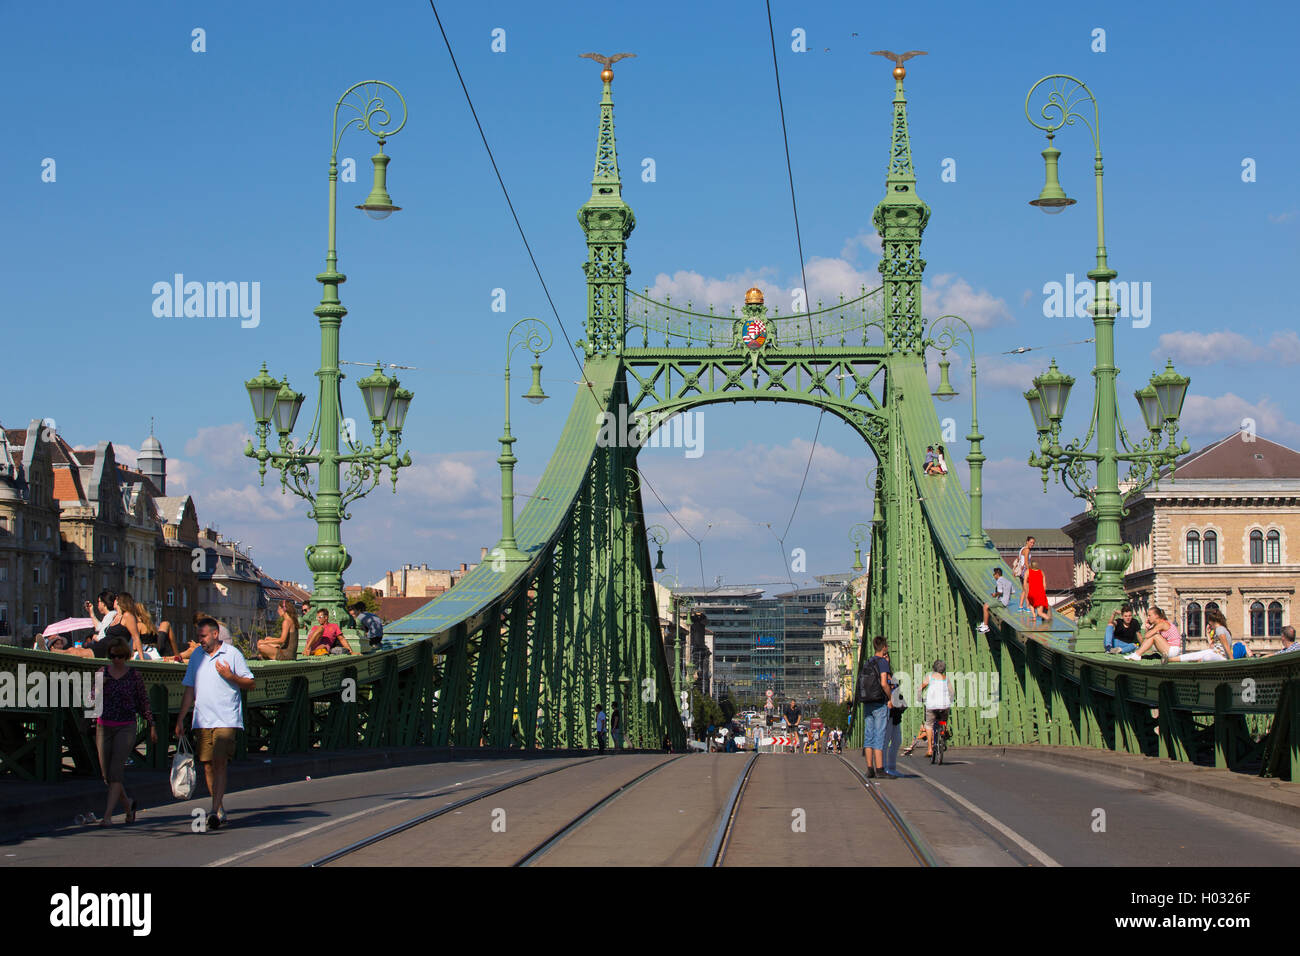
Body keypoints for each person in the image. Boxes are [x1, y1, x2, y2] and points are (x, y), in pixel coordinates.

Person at [175, 617, 254, 831]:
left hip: (227, 718)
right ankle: (218, 808)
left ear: (215, 634)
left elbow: (250, 682)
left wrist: (230, 676)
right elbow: (189, 688)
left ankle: (213, 810)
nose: (199, 640)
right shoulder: (197, 657)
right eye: (199, 636)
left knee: (219, 762)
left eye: (203, 636)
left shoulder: (232, 654)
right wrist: (182, 718)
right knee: (208, 765)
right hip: (202, 718)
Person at [88, 636, 156, 826]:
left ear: (125, 656)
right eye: (112, 656)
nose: (116, 659)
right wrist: (99, 686)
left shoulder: (134, 675)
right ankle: (129, 806)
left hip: (126, 726)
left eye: (119, 656)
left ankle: (108, 816)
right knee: (106, 775)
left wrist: (151, 725)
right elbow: (90, 699)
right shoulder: (102, 672)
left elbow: (143, 701)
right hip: (104, 725)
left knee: (116, 772)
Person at [856, 636, 892, 778]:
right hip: (879, 702)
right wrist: (891, 697)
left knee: (868, 735)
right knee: (879, 736)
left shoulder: (868, 662)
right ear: (884, 648)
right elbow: (884, 683)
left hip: (867, 702)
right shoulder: (883, 662)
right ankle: (880, 769)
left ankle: (869, 769)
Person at [919, 660, 953, 757]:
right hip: (944, 706)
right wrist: (950, 700)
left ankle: (930, 749)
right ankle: (943, 730)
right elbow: (952, 692)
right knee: (943, 719)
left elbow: (920, 688)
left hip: (932, 706)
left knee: (929, 725)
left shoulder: (929, 677)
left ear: (934, 669)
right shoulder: (946, 679)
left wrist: (919, 698)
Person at [882, 664, 906, 778]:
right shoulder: (880, 676)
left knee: (897, 740)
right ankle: (884, 767)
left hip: (895, 712)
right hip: (886, 711)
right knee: (885, 741)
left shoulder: (892, 677)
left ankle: (892, 767)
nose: (886, 658)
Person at [978, 568, 1014, 633]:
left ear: (997, 574)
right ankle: (984, 623)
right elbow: (1012, 592)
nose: (993, 576)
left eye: (994, 574)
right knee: (990, 603)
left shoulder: (999, 581)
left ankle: (985, 626)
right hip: (1006, 602)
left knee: (985, 606)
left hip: (1001, 602)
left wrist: (995, 595)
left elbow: (1000, 591)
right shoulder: (1008, 581)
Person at [1013, 537, 1034, 611]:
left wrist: (1014, 570)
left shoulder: (1022, 549)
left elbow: (1018, 559)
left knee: (1024, 590)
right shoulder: (1027, 550)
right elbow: (1026, 562)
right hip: (1025, 571)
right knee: (1028, 589)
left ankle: (1021, 606)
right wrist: (1029, 571)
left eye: (1033, 543)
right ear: (1027, 542)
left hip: (1021, 572)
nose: (1032, 544)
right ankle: (1028, 607)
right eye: (1031, 542)